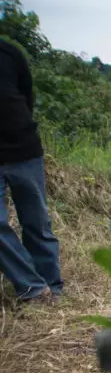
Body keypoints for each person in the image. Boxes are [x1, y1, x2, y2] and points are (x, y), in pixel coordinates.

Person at [0, 37, 61, 305]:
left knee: (38, 223)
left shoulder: (9, 53)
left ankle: (52, 287)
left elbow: (26, 96)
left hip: (24, 150)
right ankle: (34, 287)